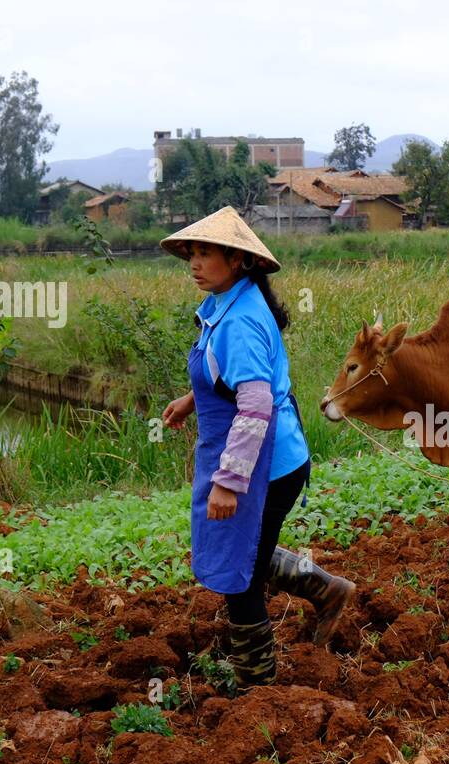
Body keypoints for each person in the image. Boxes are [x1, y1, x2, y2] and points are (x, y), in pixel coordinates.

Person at [159, 206, 354, 687]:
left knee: (240, 577)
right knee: (247, 551)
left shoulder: (241, 321)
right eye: (192, 253)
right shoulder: (230, 305)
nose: (194, 263)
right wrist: (191, 400)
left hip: (265, 463)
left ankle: (257, 688)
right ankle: (328, 590)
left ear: (239, 261)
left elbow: (254, 408)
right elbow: (231, 376)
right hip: (259, 455)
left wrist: (229, 481)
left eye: (206, 253)